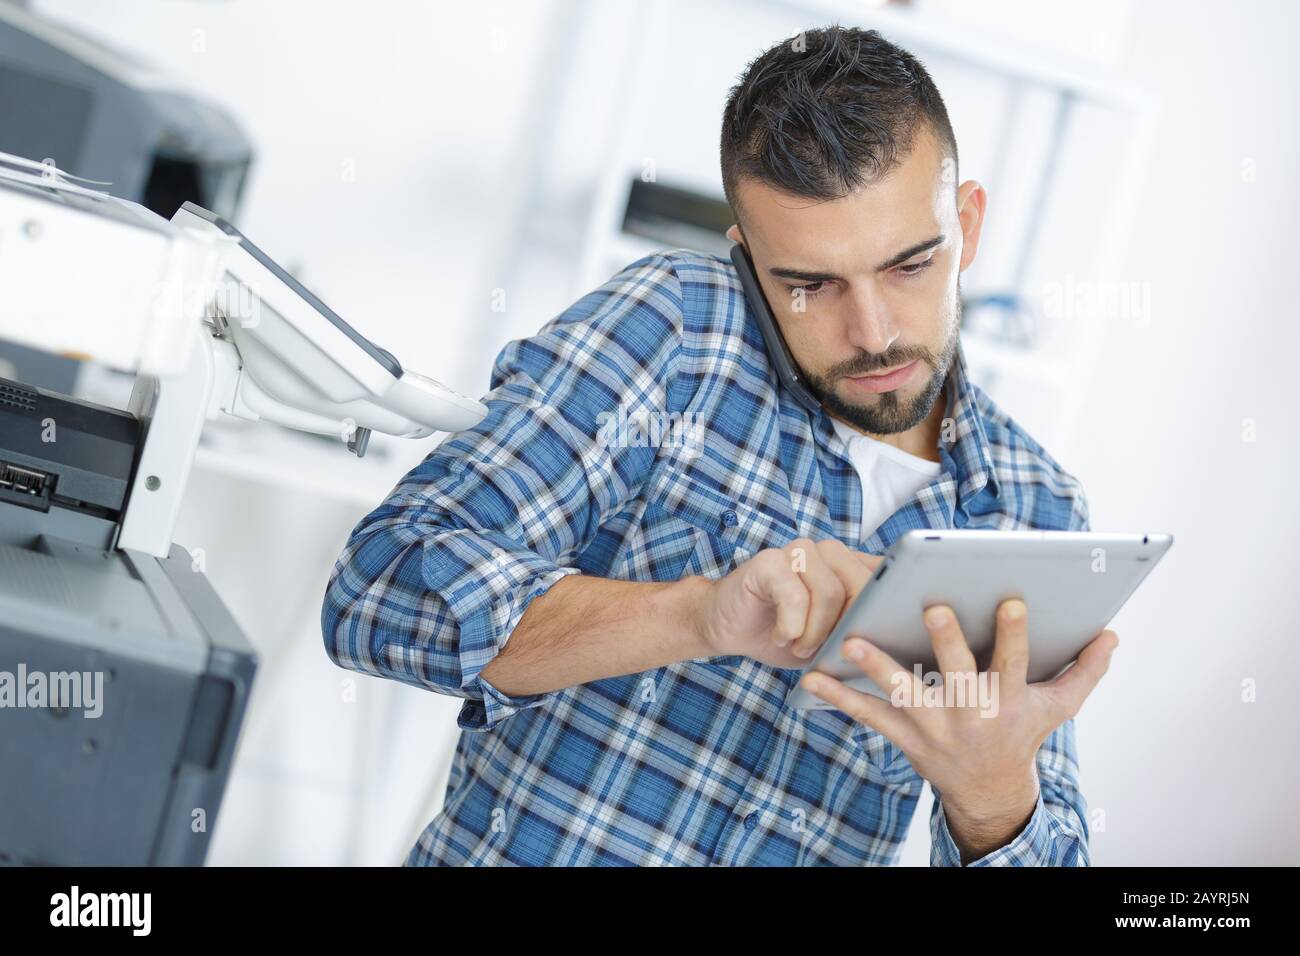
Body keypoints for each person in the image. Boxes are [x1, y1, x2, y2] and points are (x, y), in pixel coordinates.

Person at [322, 25, 1117, 866]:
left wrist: (991, 794)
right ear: (749, 260)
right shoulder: (674, 332)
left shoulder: (1034, 506)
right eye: (810, 285)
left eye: (910, 267)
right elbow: (378, 589)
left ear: (967, 224)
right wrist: (697, 615)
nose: (875, 332)